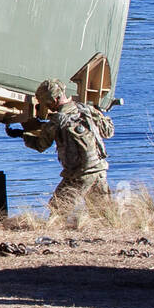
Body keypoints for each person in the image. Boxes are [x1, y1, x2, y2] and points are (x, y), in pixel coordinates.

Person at [21, 78, 112, 210]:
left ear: (54, 100)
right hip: (99, 170)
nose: (46, 107)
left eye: (46, 103)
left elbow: (40, 146)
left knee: (57, 209)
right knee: (103, 213)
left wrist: (24, 134)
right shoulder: (86, 110)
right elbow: (108, 131)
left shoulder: (56, 122)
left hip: (78, 175)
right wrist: (100, 112)